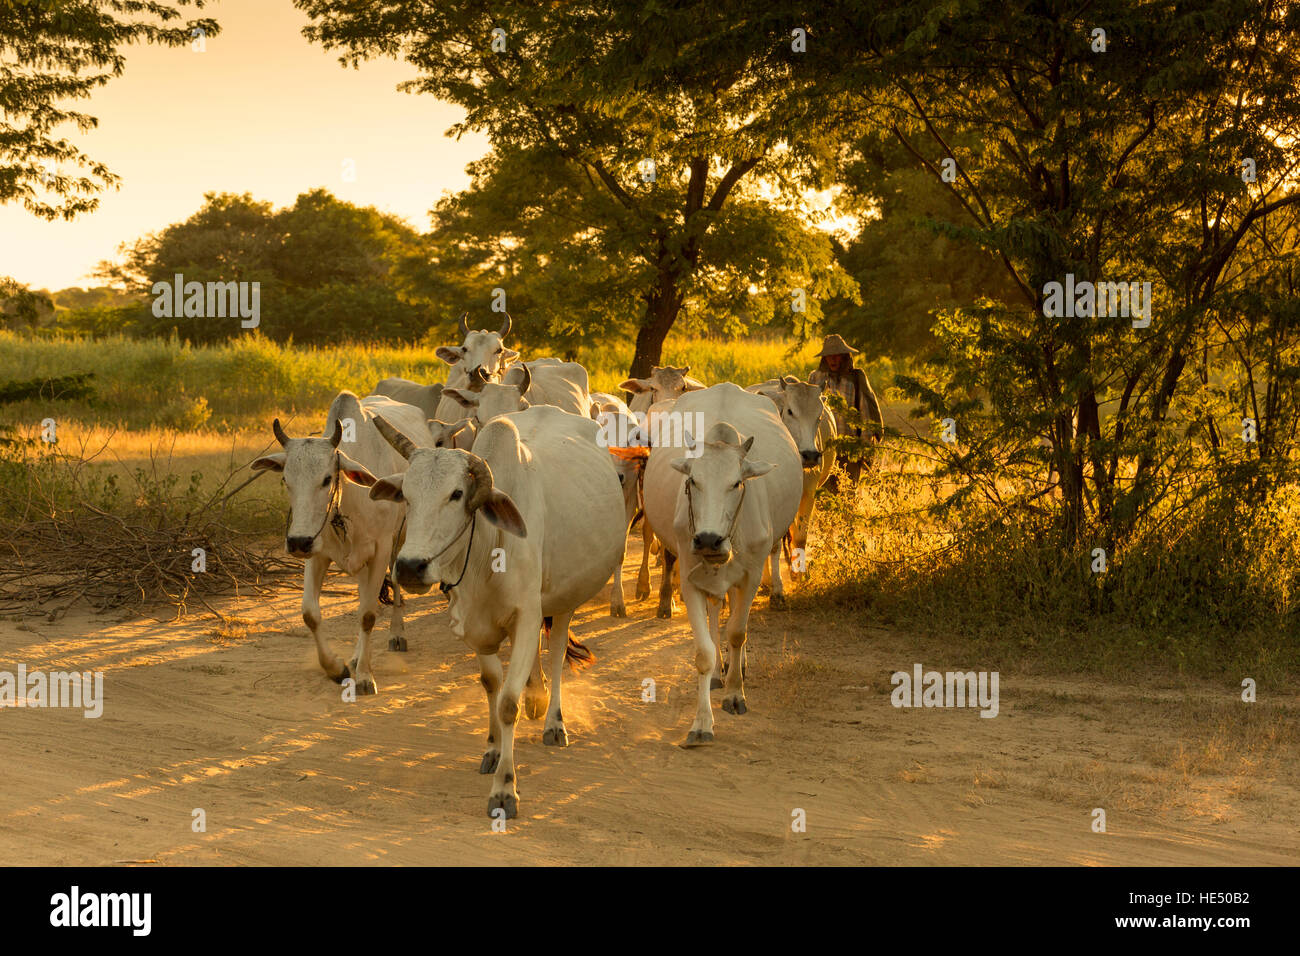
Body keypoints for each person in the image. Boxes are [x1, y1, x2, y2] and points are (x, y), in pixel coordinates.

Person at [808, 333, 884, 485]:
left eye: (837, 355)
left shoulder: (855, 378)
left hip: (849, 449)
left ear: (844, 356)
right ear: (825, 358)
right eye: (830, 356)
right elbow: (808, 412)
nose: (833, 359)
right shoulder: (815, 378)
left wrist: (864, 448)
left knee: (848, 493)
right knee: (823, 495)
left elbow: (865, 414)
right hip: (823, 447)